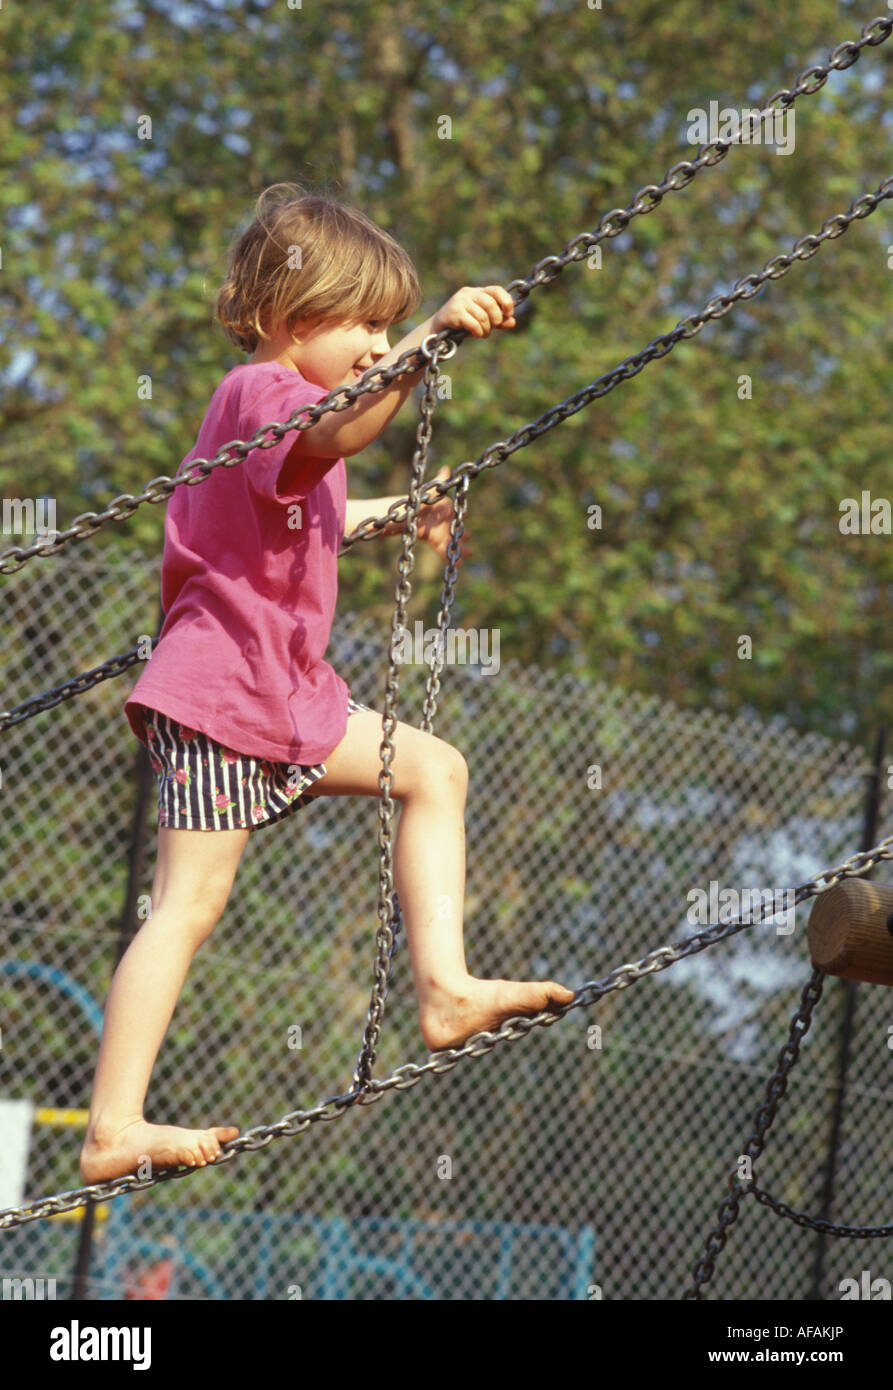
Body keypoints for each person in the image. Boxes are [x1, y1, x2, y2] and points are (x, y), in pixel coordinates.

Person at [79, 183, 575, 1185]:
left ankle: (444, 989)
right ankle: (111, 1127)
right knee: (188, 904)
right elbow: (338, 430)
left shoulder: (297, 424)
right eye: (363, 322)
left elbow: (318, 509)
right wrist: (431, 340)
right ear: (287, 321)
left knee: (434, 768)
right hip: (222, 693)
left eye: (387, 324)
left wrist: (401, 511)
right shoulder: (260, 394)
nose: (374, 341)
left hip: (285, 695)